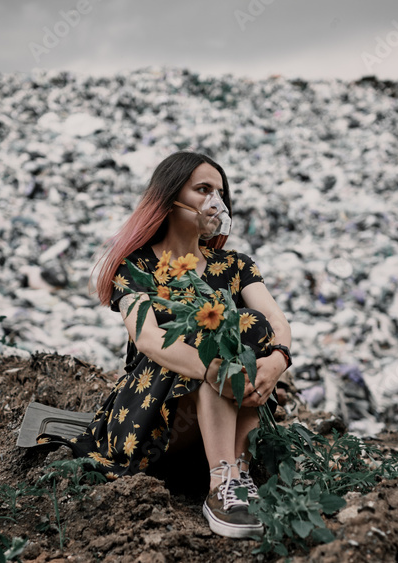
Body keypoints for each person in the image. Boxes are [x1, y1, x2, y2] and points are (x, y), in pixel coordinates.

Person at [36, 151, 292, 539]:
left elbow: (275, 321)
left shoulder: (235, 265)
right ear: (171, 196)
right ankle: (222, 483)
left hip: (210, 419)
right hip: (150, 422)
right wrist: (211, 367)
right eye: (202, 189)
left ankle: (238, 475)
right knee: (207, 334)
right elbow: (149, 338)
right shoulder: (134, 266)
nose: (214, 202)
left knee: (249, 325)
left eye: (219, 193)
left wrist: (278, 359)